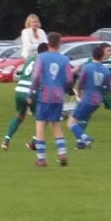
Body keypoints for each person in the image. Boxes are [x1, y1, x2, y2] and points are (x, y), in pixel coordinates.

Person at [30, 32, 75, 167]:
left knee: (40, 125)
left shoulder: (42, 57)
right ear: (59, 43)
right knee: (56, 125)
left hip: (45, 95)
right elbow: (69, 79)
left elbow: (36, 76)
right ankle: (62, 153)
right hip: (59, 96)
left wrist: (33, 91)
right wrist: (67, 88)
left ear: (48, 43)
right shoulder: (65, 59)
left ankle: (41, 159)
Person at [1, 42, 47, 150]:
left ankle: (6, 140)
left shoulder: (31, 58)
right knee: (42, 118)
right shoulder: (44, 60)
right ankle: (34, 142)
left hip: (19, 89)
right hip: (30, 91)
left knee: (19, 116)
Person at [69, 44, 111, 148]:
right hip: (97, 100)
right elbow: (109, 86)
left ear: (93, 56)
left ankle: (85, 138)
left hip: (87, 98)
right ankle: (81, 144)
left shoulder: (87, 67)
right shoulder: (106, 71)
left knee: (71, 123)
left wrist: (79, 94)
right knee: (81, 120)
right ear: (102, 56)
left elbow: (80, 83)